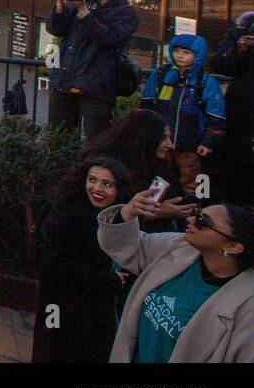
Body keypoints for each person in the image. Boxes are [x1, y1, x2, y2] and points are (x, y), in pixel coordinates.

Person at [98, 192, 254, 362]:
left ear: (233, 247)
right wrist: (127, 213)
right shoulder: (178, 246)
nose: (191, 220)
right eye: (196, 214)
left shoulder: (247, 309)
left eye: (202, 222)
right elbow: (125, 247)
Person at [32, 156, 134, 363]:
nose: (97, 188)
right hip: (64, 309)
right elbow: (56, 267)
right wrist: (110, 281)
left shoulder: (118, 219)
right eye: (92, 180)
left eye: (107, 184)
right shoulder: (67, 217)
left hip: (91, 313)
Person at [45, 0, 140, 141]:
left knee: (97, 141)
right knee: (58, 140)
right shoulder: (78, 2)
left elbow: (109, 39)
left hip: (97, 86)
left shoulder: (125, 12)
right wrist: (60, 7)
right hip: (64, 82)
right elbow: (55, 29)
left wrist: (84, 11)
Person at [142, 35, 226, 195]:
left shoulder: (205, 82)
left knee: (196, 184)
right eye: (177, 50)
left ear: (198, 55)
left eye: (186, 52)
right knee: (159, 181)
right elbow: (146, 107)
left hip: (191, 146)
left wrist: (208, 142)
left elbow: (217, 117)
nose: (180, 55)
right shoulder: (160, 75)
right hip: (161, 144)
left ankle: (196, 214)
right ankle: (162, 215)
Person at [205, 17, 254, 206]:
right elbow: (219, 64)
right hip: (241, 114)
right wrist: (239, 49)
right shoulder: (240, 31)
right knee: (238, 172)